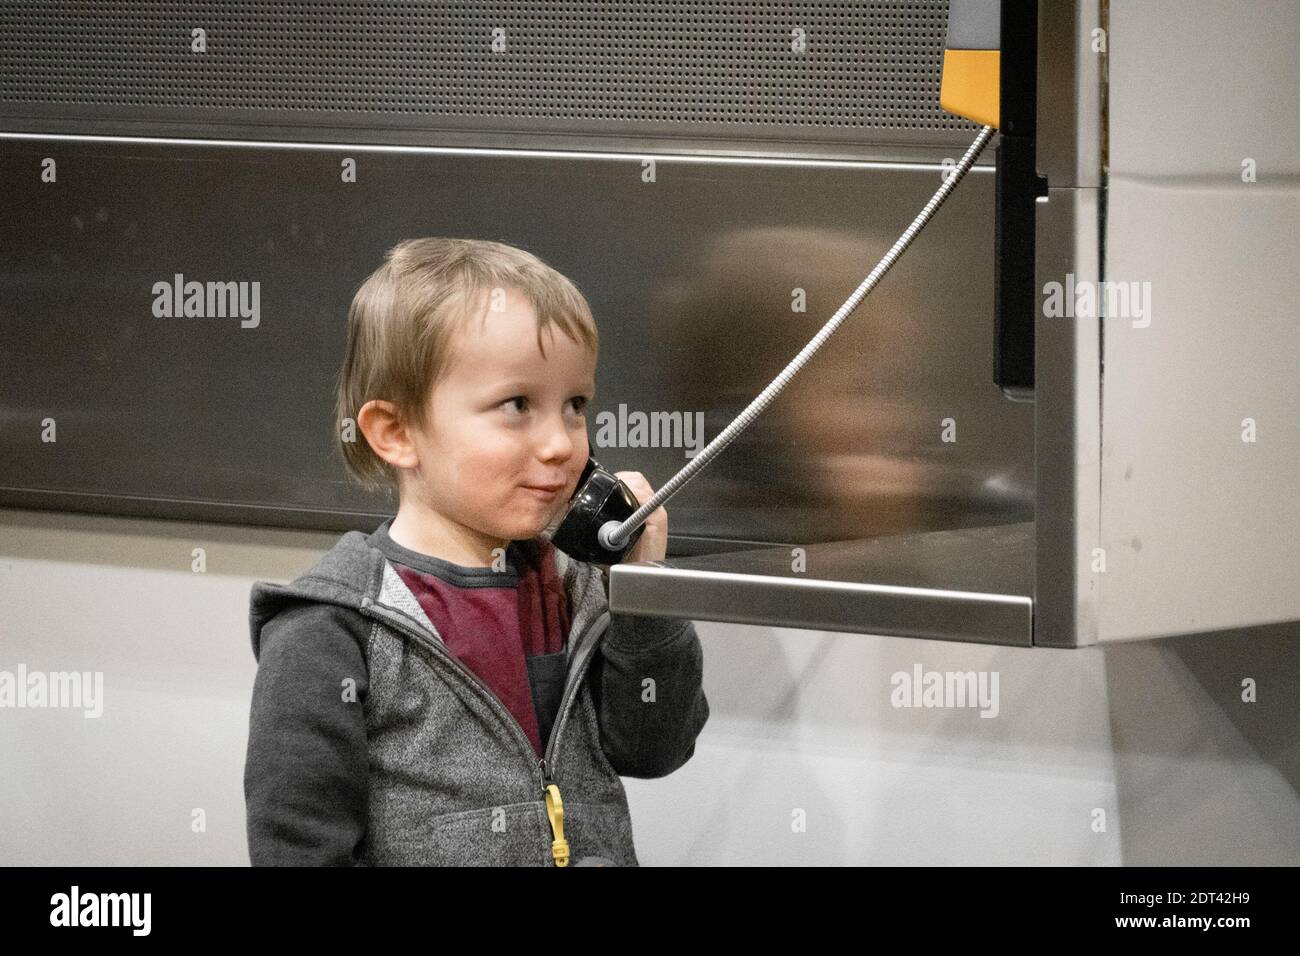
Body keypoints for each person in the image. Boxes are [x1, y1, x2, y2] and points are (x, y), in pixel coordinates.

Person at [243, 237, 709, 865]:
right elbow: (299, 851)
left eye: (575, 406)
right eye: (517, 405)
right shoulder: (328, 630)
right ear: (397, 432)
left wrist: (644, 591)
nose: (560, 444)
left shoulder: (576, 586)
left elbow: (654, 748)